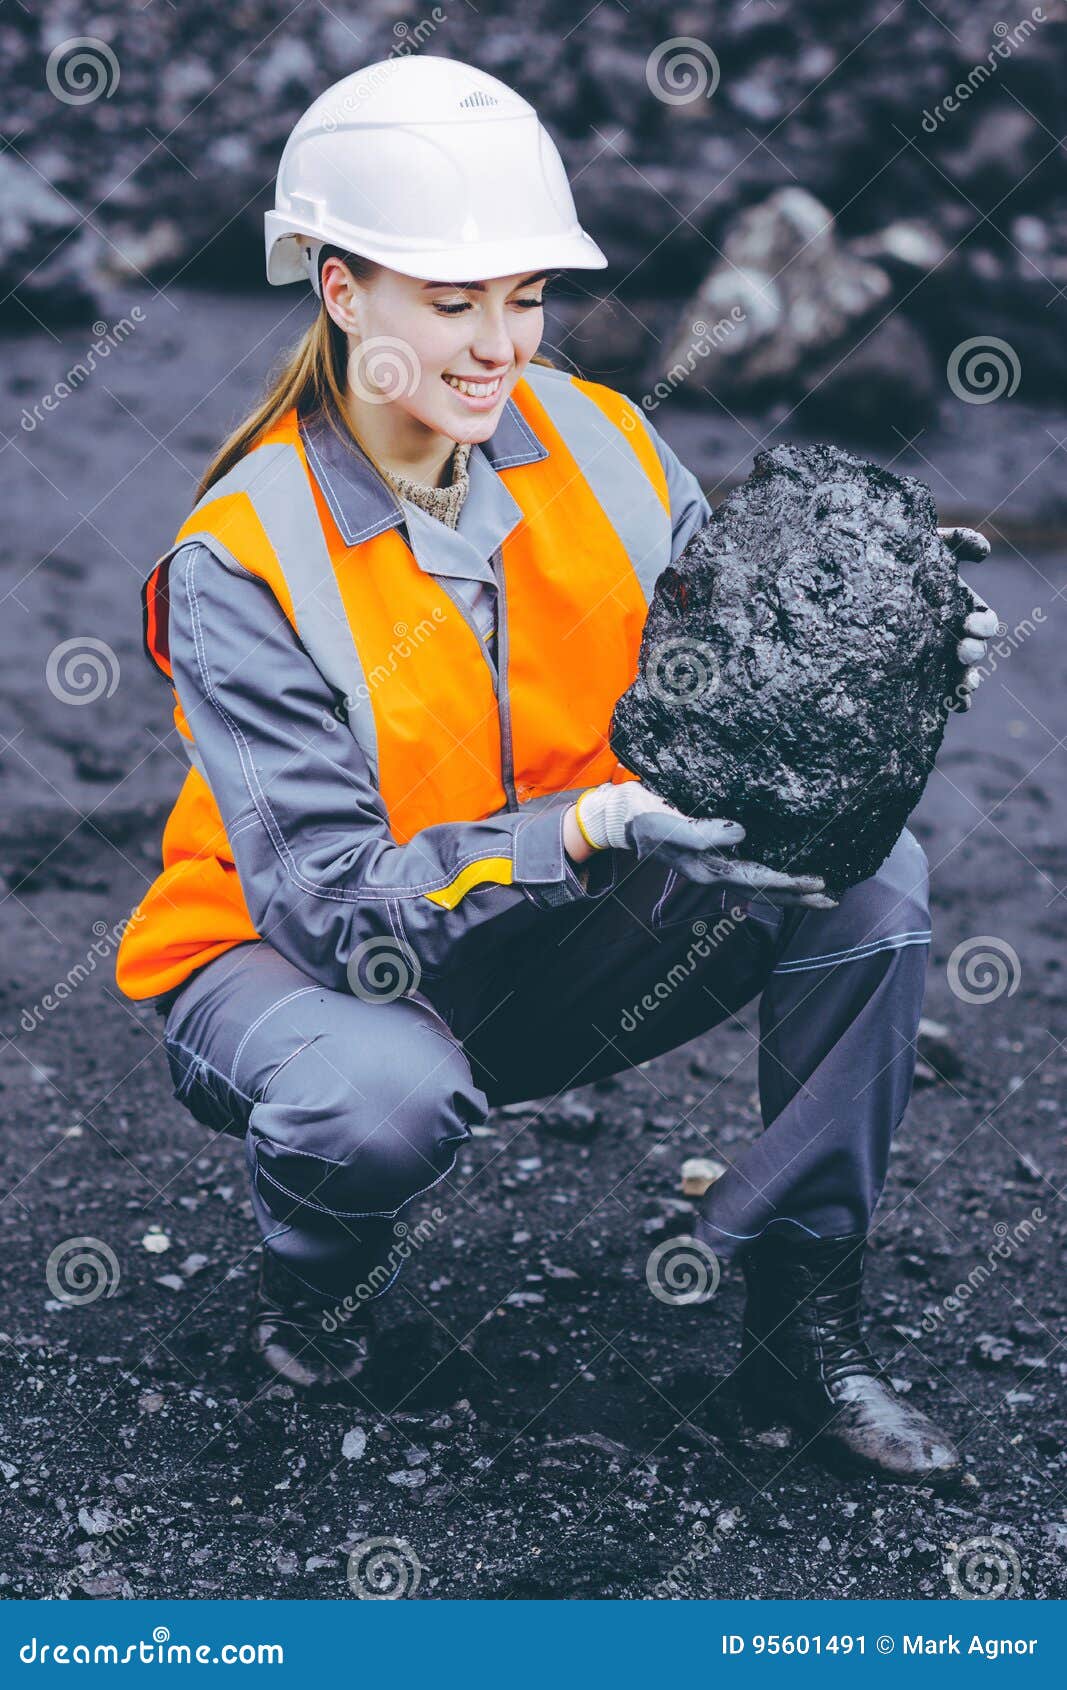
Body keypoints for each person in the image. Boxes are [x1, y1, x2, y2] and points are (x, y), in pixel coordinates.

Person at [115, 56, 998, 1483]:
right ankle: (318, 1298)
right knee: (374, 1095)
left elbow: (748, 666)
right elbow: (334, 912)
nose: (497, 344)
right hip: (312, 970)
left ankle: (798, 1323)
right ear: (342, 294)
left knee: (870, 885)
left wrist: (890, 640)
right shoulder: (245, 555)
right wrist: (584, 829)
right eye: (453, 301)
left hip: (573, 907)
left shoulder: (601, 441)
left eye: (522, 296)